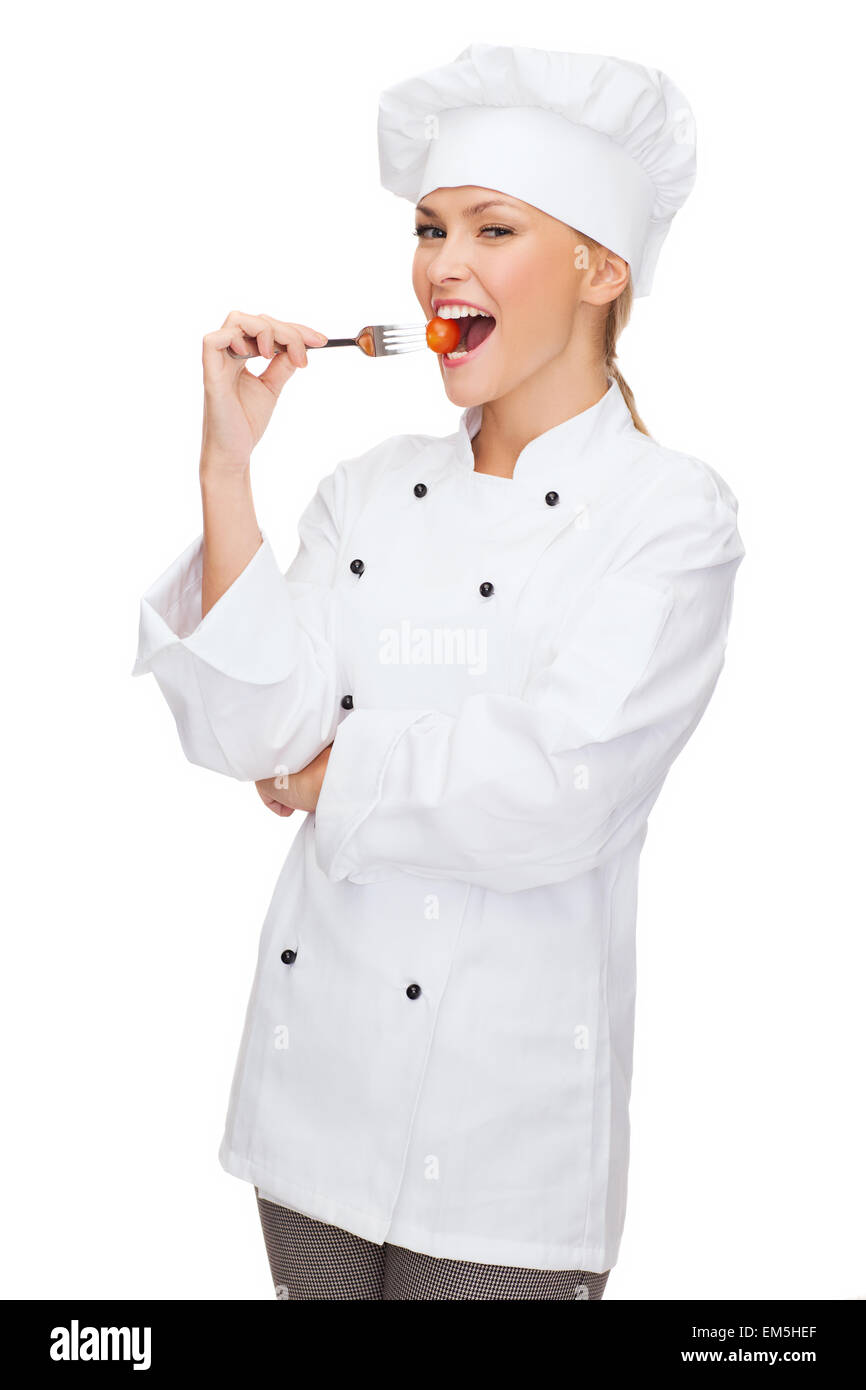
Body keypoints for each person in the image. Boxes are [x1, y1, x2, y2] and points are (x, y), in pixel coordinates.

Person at [132, 42, 746, 1300]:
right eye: (427, 227)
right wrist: (227, 469)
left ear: (597, 268)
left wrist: (329, 778)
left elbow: (556, 789)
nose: (438, 263)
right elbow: (255, 730)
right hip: (315, 1096)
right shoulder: (363, 492)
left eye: (490, 227)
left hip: (507, 1133)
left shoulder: (668, 515)